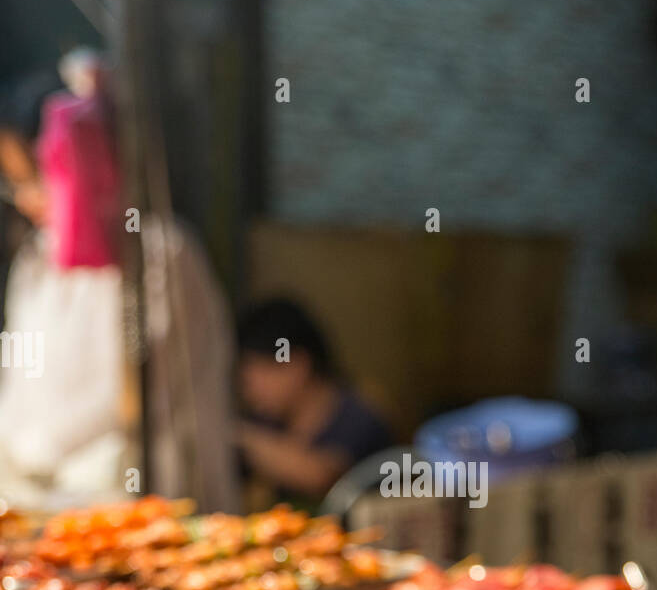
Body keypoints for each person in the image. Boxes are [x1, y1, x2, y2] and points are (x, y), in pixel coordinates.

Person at [0, 57, 239, 510]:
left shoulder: (159, 258)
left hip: (145, 500)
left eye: (34, 179)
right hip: (42, 500)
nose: (27, 199)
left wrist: (40, 462)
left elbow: (132, 401)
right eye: (14, 184)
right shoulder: (36, 263)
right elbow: (18, 383)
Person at [236, 295, 394, 506]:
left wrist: (237, 434)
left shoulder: (359, 414)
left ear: (299, 365)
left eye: (263, 372)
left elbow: (322, 477)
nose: (251, 389)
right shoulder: (269, 421)